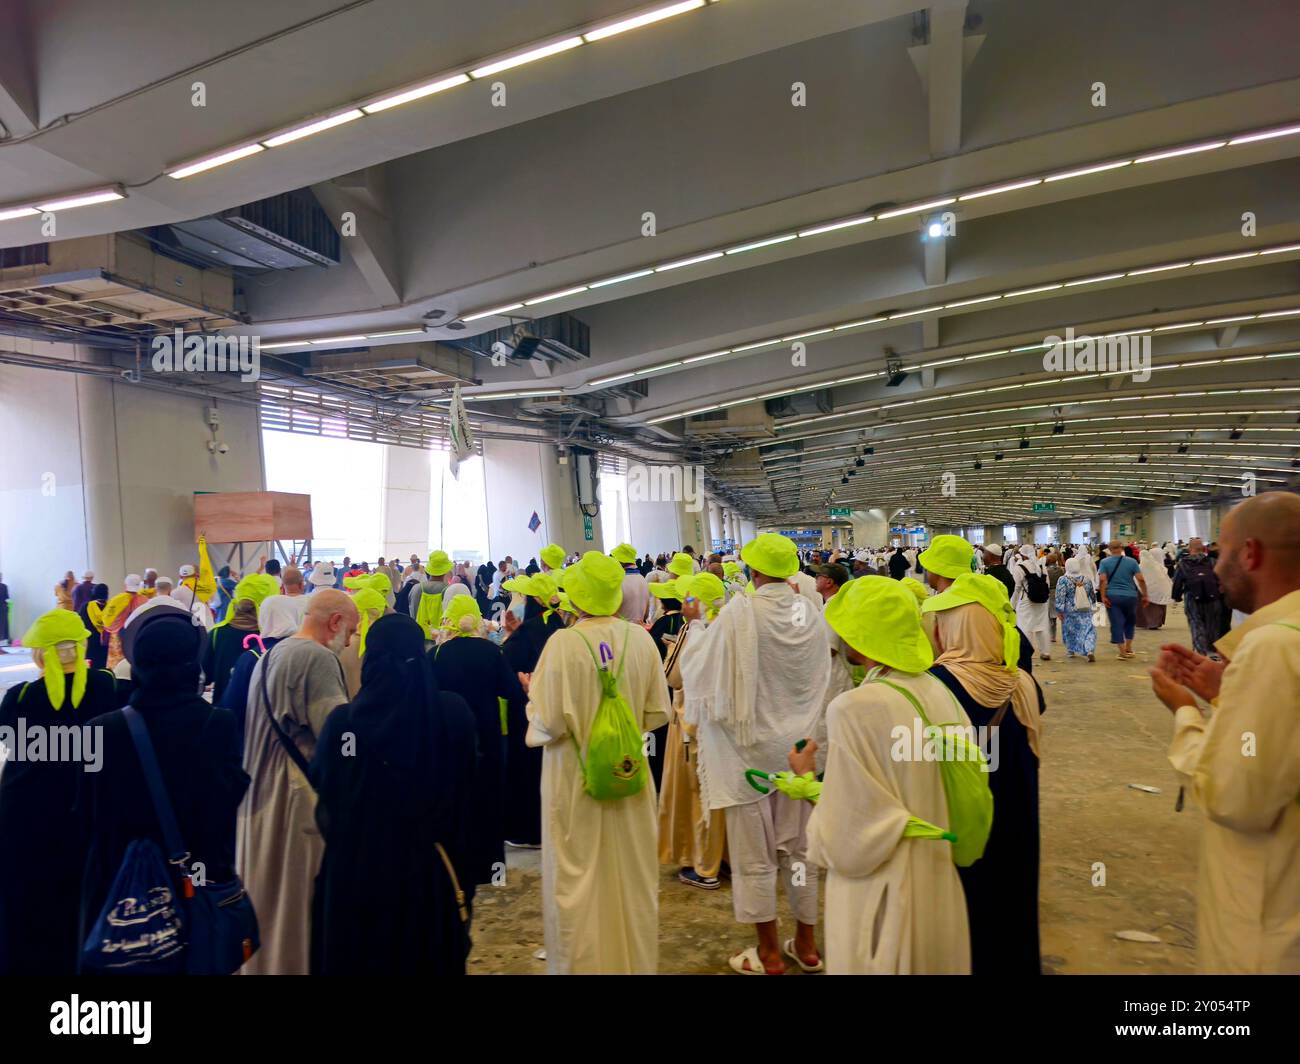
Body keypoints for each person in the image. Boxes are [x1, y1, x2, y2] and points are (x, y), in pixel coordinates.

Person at [789, 577, 973, 974]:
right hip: (938, 878)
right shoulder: (939, 693)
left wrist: (805, 782)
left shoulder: (856, 707)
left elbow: (849, 835)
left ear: (861, 634)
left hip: (884, 888)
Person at [1149, 492, 1300, 973]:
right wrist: (1225, 694)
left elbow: (1236, 797)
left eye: (1222, 552)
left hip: (1269, 923)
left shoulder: (1272, 648)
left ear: (1251, 554)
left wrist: (1184, 714)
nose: (1214, 569)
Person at [682, 533, 830, 975]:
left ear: (753, 570)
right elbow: (818, 676)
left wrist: (698, 625)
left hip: (747, 757)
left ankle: (767, 953)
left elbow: (697, 671)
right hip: (798, 753)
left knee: (754, 860)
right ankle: (807, 945)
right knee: (801, 854)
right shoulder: (812, 612)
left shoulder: (740, 614)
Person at [77, 605, 248, 974]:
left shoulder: (98, 730)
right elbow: (229, 798)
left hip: (119, 884)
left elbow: (85, 811)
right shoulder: (218, 724)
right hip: (197, 878)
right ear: (193, 661)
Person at [525, 551, 670, 974]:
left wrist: (535, 700)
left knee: (576, 875)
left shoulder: (563, 644)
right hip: (629, 770)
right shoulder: (641, 639)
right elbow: (657, 712)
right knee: (631, 873)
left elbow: (548, 722)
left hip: (574, 776)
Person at [310, 613, 478, 975]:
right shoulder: (453, 715)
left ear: (370, 659)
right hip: (428, 878)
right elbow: (469, 798)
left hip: (355, 880)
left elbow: (327, 797)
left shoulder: (344, 723)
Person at [917, 534, 1044, 976]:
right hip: (1017, 797)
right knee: (1015, 869)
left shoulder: (940, 686)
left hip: (968, 811)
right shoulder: (1021, 682)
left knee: (975, 877)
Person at [237, 589, 358, 975]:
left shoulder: (270, 654)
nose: (352, 641)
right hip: (292, 804)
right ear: (335, 622)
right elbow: (337, 737)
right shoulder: (317, 657)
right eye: (351, 631)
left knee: (263, 905)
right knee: (292, 907)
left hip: (256, 797)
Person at [0, 610, 124, 974]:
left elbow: (12, 744)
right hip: (91, 819)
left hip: (27, 824)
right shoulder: (109, 688)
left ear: (40, 654)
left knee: (31, 909)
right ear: (82, 646)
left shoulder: (19, 697)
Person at [430, 595, 525, 889]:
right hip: (488, 737)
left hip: (449, 740)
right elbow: (511, 692)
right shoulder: (491, 652)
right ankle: (492, 872)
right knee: (489, 803)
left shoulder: (435, 655)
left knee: (455, 802)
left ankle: (457, 872)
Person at [657, 573, 728, 890]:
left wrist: (675, 648)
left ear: (696, 602)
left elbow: (673, 677)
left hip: (691, 724)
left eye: (687, 597)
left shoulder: (695, 631)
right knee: (715, 791)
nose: (682, 602)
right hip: (717, 723)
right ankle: (721, 857)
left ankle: (704, 865)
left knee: (697, 793)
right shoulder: (724, 626)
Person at [498, 571, 565, 848]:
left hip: (526, 711)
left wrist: (509, 638)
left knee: (524, 770)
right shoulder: (559, 625)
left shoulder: (529, 630)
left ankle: (527, 830)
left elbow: (507, 665)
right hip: (555, 711)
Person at [1172, 539, 1224, 656]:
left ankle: (1201, 651)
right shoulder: (1212, 562)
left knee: (1196, 624)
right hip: (1212, 599)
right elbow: (1221, 579)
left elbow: (1177, 582)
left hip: (1192, 599)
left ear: (1190, 549)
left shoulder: (1183, 563)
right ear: (1204, 549)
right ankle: (1213, 651)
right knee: (1212, 625)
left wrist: (1176, 597)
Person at [1098, 539, 1148, 659]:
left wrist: (1103, 596)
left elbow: (1102, 580)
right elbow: (1140, 579)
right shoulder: (1132, 562)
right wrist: (1145, 595)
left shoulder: (1104, 562)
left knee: (1116, 622)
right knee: (1130, 621)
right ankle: (1129, 648)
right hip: (1131, 596)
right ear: (1122, 548)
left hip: (1113, 596)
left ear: (1109, 550)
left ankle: (1122, 651)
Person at [1010, 545, 1052, 661]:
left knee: (1025, 626)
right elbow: (1047, 583)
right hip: (1042, 601)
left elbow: (1017, 588)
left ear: (1022, 555)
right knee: (1042, 626)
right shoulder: (1041, 565)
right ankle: (1045, 652)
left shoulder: (1019, 567)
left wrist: (1012, 605)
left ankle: (1027, 653)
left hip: (1026, 601)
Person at [1054, 557, 1097, 661]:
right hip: (1085, 608)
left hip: (1069, 610)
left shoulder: (1063, 580)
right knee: (1088, 629)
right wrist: (1094, 604)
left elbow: (1060, 596)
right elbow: (1092, 594)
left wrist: (1059, 610)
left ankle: (1070, 650)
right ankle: (1089, 650)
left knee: (1070, 630)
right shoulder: (1086, 579)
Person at [409, 551, 454, 638]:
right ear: (446, 570)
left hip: (419, 637)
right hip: (441, 638)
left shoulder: (416, 588)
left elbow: (412, 612)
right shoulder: (449, 590)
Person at [612, 543, 650, 624]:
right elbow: (646, 614)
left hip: (622, 631)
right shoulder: (643, 579)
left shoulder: (618, 581)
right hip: (640, 630)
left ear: (620, 561)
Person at [1138, 546, 1173, 629]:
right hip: (1159, 590)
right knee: (1158, 607)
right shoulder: (1158, 566)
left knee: (1149, 609)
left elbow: (1138, 579)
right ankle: (1157, 623)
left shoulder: (1140, 567)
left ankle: (1150, 623)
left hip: (1146, 591)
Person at [79, 583, 111, 671]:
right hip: (105, 644)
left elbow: (80, 623)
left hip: (91, 643)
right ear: (106, 594)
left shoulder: (86, 607)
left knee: (91, 669)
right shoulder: (111, 607)